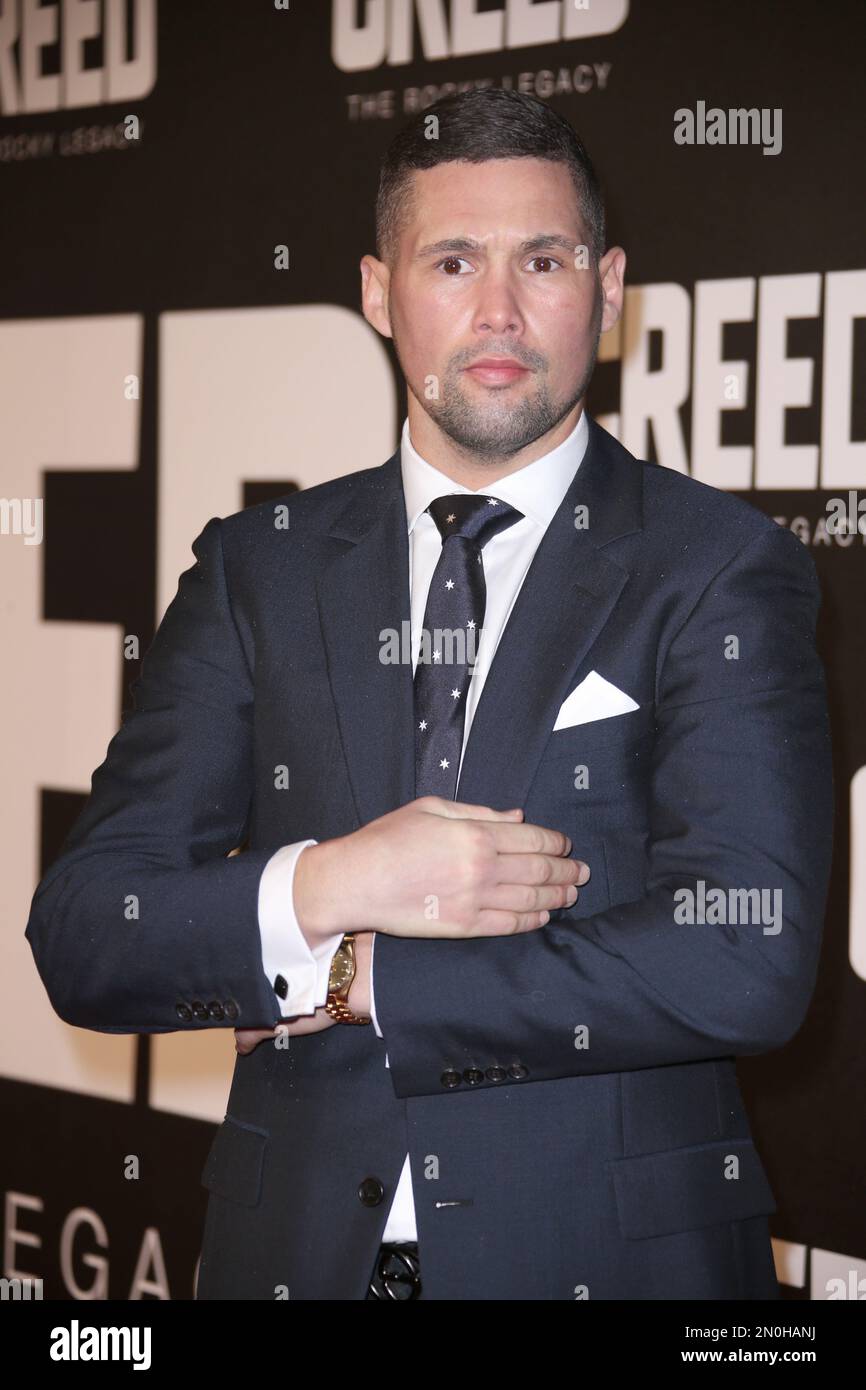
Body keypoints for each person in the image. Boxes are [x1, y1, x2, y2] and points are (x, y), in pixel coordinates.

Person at [25, 88, 833, 1301]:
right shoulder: (261, 567)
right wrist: (340, 884)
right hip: (287, 1256)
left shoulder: (715, 563)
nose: (497, 309)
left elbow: (741, 955)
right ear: (374, 291)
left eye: (542, 260)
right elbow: (89, 934)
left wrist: (360, 980)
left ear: (606, 290)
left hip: (602, 1262)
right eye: (450, 261)